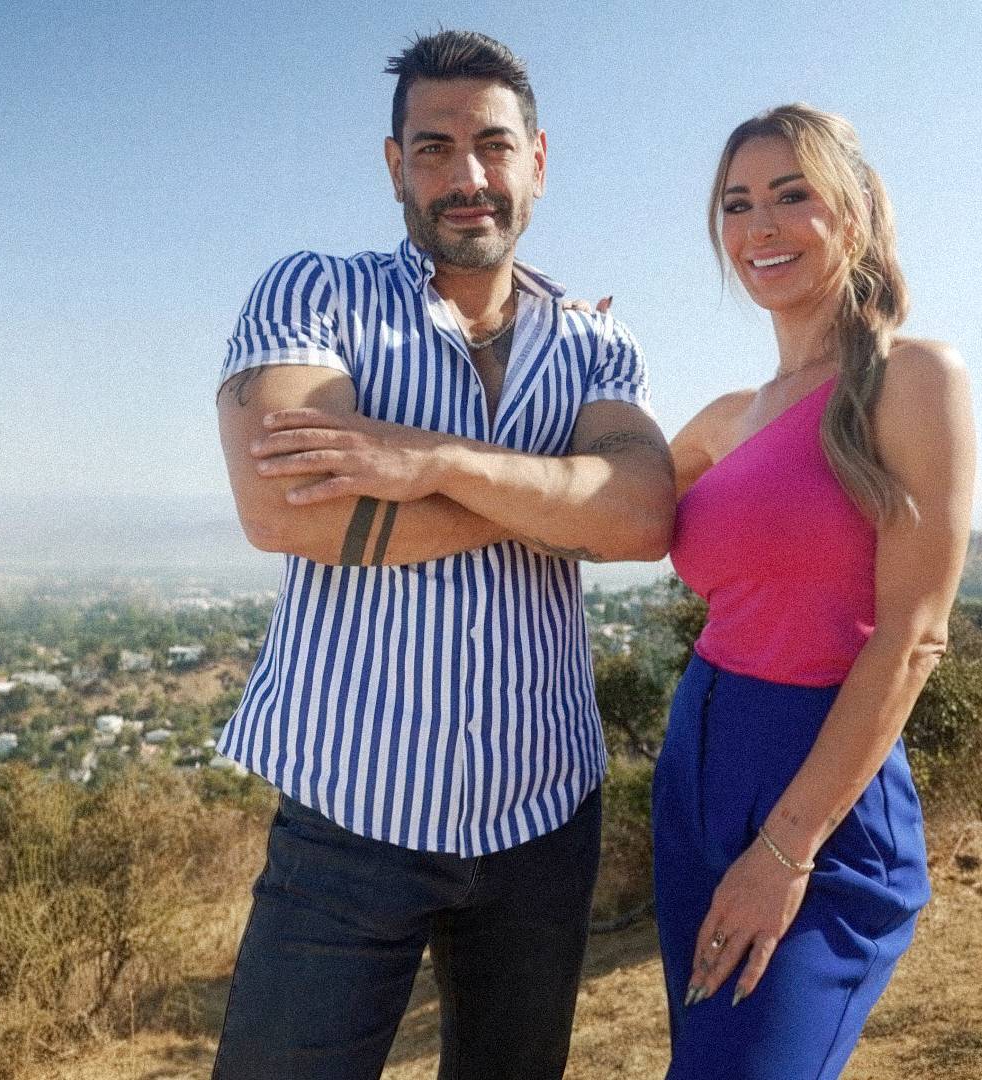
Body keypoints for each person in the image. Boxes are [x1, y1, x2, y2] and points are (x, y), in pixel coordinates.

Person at [210, 30, 674, 1080]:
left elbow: (644, 520)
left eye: (493, 145)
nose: (467, 175)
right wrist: (558, 498)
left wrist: (432, 462)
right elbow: (286, 512)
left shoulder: (598, 344)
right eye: (433, 148)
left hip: (544, 818)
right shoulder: (313, 296)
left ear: (536, 161)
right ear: (395, 166)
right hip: (348, 819)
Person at [653, 104, 975, 1078]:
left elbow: (914, 635)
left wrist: (786, 849)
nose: (760, 226)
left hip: (820, 792)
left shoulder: (912, 379)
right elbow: (594, 513)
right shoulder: (726, 419)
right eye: (736, 203)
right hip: (696, 771)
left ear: (855, 213)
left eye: (792, 195)